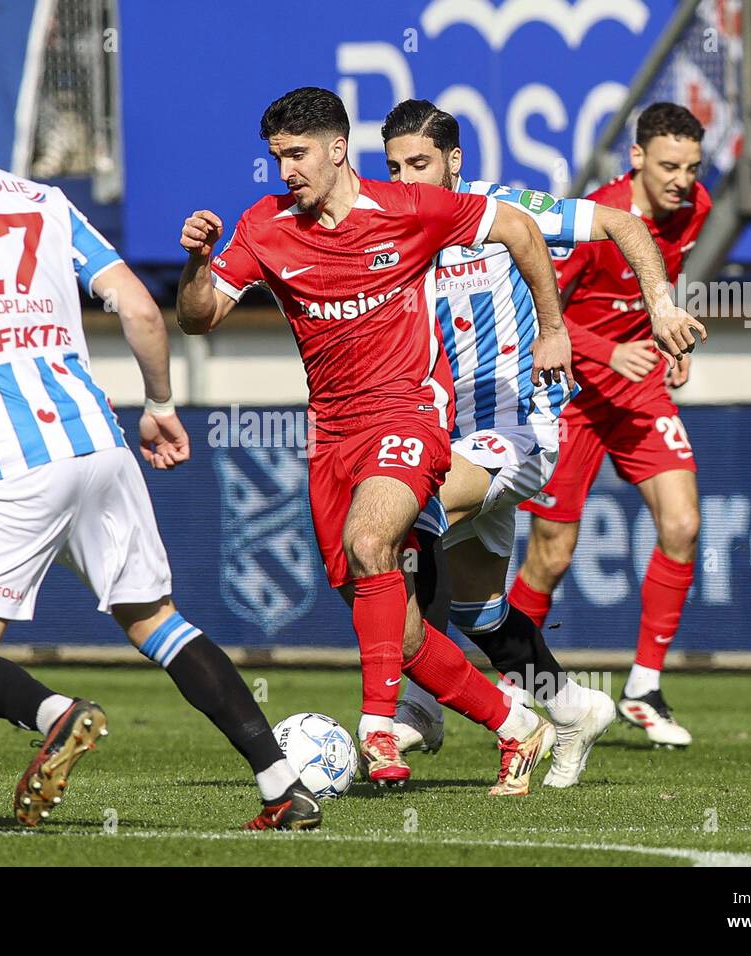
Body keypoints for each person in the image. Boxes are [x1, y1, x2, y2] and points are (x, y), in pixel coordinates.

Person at [0, 53, 321, 831]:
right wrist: (161, 403)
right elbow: (140, 306)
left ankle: (56, 714)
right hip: (100, 445)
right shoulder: (44, 201)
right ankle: (281, 785)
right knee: (160, 622)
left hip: (8, 463)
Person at [176, 87, 571, 796]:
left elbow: (519, 229)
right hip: (331, 436)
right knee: (403, 631)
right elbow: (200, 319)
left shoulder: (409, 210)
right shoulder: (266, 227)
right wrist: (198, 264)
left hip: (409, 414)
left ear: (337, 149)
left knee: (370, 543)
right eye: (275, 157)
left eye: (297, 155)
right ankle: (520, 724)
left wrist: (551, 326)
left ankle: (377, 726)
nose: (285, 170)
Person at [379, 100, 705, 785]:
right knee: (482, 614)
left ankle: (409, 708)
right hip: (451, 435)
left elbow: (619, 222)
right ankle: (574, 706)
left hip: (522, 432)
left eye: (420, 164)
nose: (408, 178)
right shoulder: (389, 223)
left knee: (394, 520)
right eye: (395, 167)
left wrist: (661, 303)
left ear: (454, 161)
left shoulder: (501, 208)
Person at [512, 103, 712, 747]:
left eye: (691, 167)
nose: (682, 180)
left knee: (683, 523)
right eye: (669, 166)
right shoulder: (593, 220)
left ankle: (644, 686)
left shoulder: (697, 209)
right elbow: (540, 313)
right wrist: (606, 352)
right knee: (552, 554)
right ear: (636, 159)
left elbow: (659, 292)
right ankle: (518, 687)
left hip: (639, 391)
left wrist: (669, 344)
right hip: (572, 395)